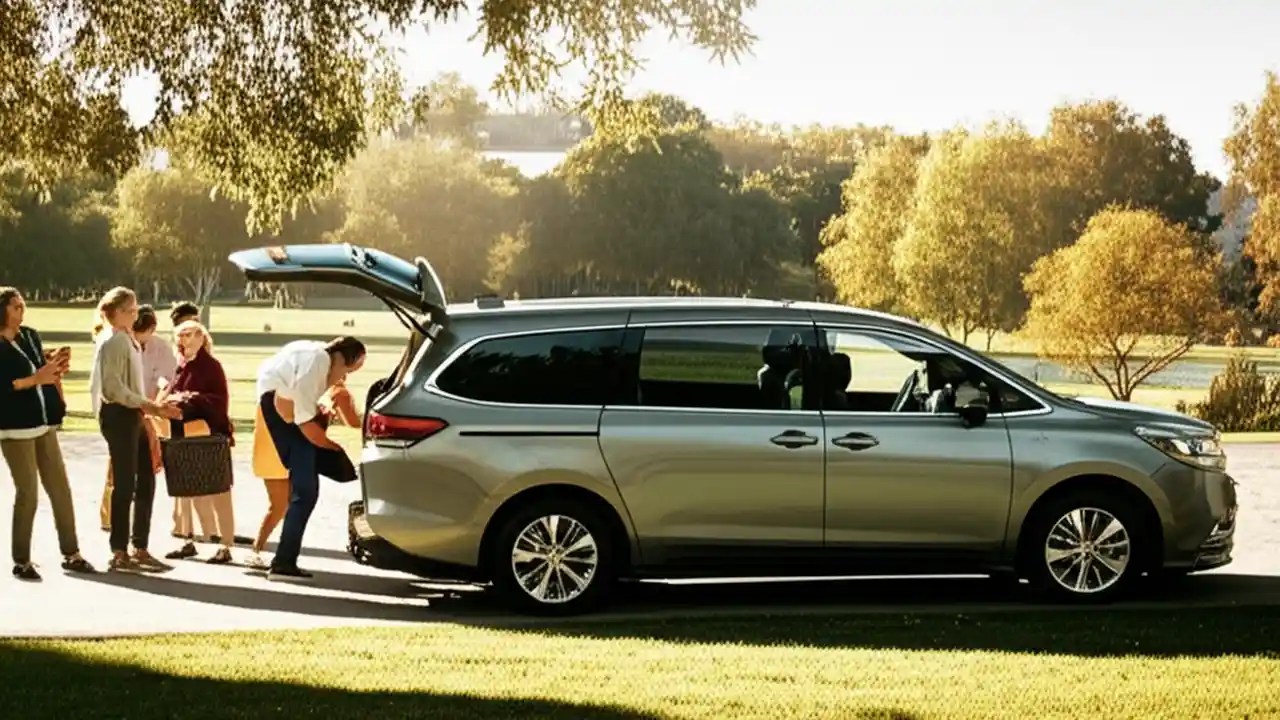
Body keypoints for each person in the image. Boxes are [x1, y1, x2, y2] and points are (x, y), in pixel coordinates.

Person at [0, 287, 95, 580]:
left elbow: (41, 367)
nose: (21, 311)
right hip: (15, 427)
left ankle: (72, 552)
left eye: (22, 306)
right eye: (16, 307)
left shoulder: (29, 335)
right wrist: (34, 379)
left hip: (43, 422)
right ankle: (21, 560)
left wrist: (55, 364)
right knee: (28, 492)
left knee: (60, 488)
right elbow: (8, 385)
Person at [255, 336, 365, 579]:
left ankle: (284, 559)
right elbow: (306, 425)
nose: (344, 378)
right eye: (348, 370)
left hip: (274, 402)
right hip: (279, 408)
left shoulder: (311, 351)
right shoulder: (318, 363)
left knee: (304, 490)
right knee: (305, 492)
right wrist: (333, 448)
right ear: (343, 359)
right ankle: (283, 562)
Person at [89, 287, 182, 571]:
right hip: (120, 414)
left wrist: (146, 408)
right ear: (114, 313)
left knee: (146, 478)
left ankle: (139, 545)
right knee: (126, 483)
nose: (135, 313)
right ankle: (120, 550)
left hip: (134, 413)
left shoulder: (126, 338)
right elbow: (113, 388)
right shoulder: (114, 341)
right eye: (130, 309)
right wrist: (150, 406)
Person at [99, 305, 178, 533]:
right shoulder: (118, 344)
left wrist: (157, 400)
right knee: (120, 473)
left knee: (146, 473)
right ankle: (111, 524)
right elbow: (112, 386)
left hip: (148, 409)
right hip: (128, 410)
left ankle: (138, 539)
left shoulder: (159, 347)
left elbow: (167, 377)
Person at [163, 320, 237, 564]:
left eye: (190, 334)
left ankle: (225, 545)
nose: (184, 339)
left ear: (202, 337)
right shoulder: (182, 367)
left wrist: (187, 398)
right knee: (185, 490)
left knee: (218, 490)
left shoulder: (211, 366)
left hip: (209, 436)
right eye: (180, 335)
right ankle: (188, 540)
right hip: (183, 435)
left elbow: (217, 400)